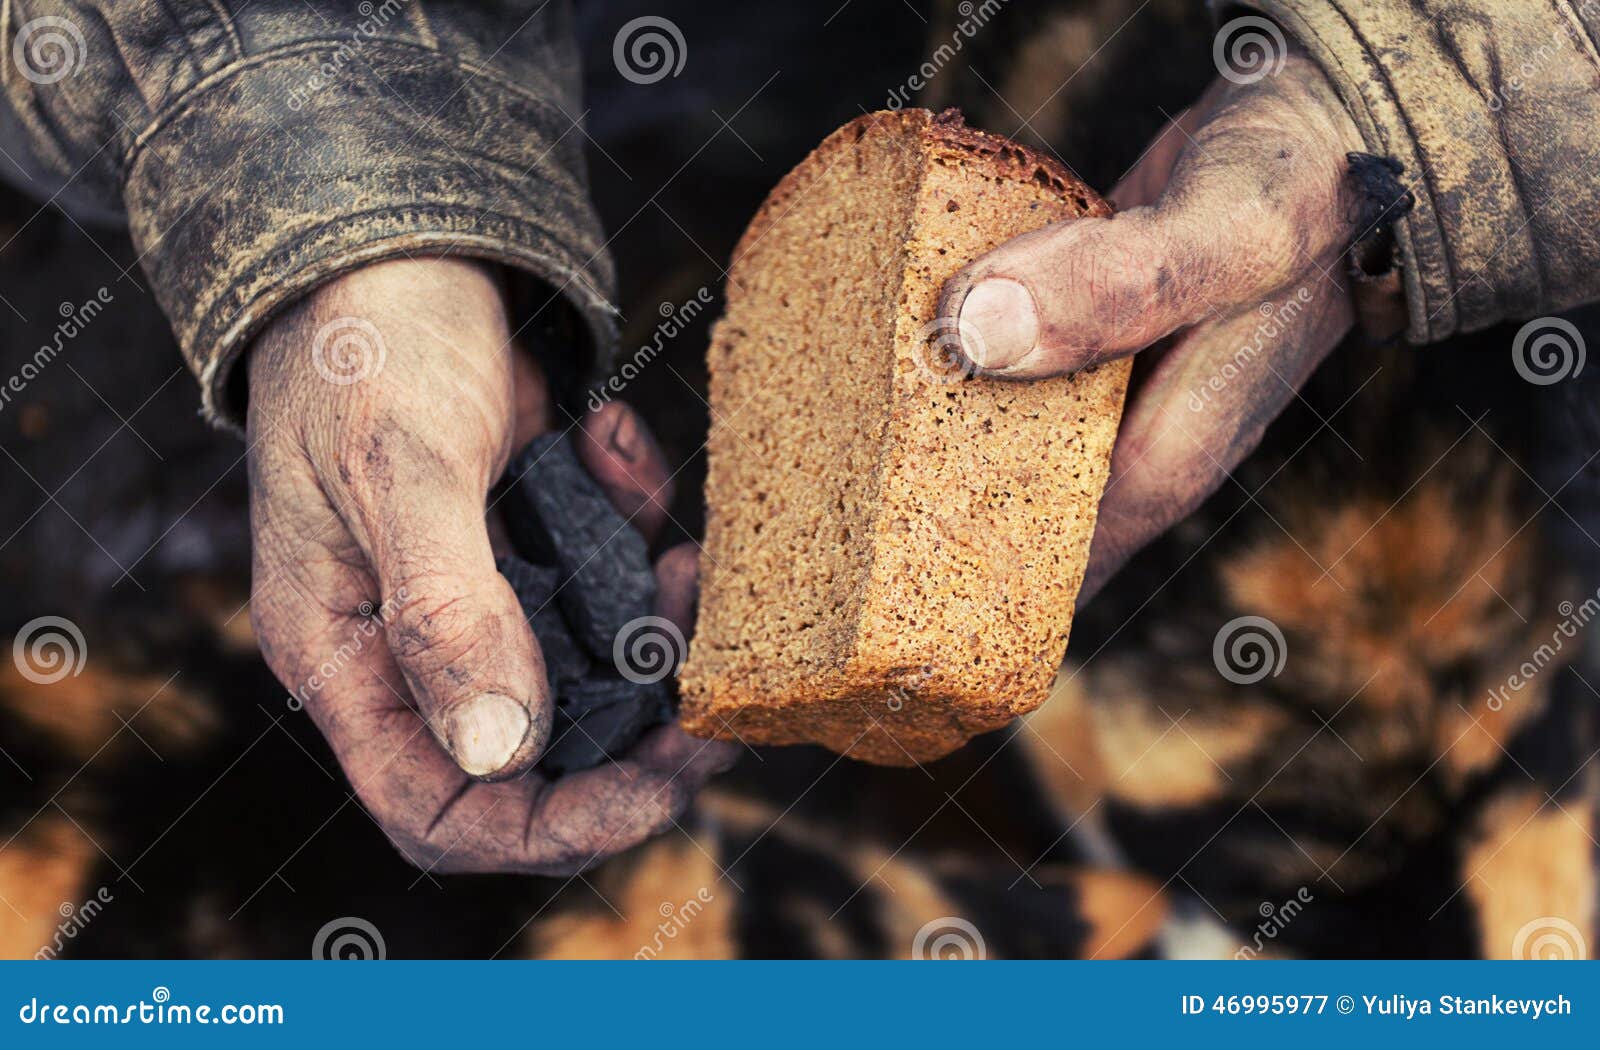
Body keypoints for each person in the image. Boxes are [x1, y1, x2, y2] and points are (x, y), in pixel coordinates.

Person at [3, 0, 1596, 879]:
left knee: (1326, 766)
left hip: (1267, 101)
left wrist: (1436, 92)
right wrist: (353, 219)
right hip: (510, 68)